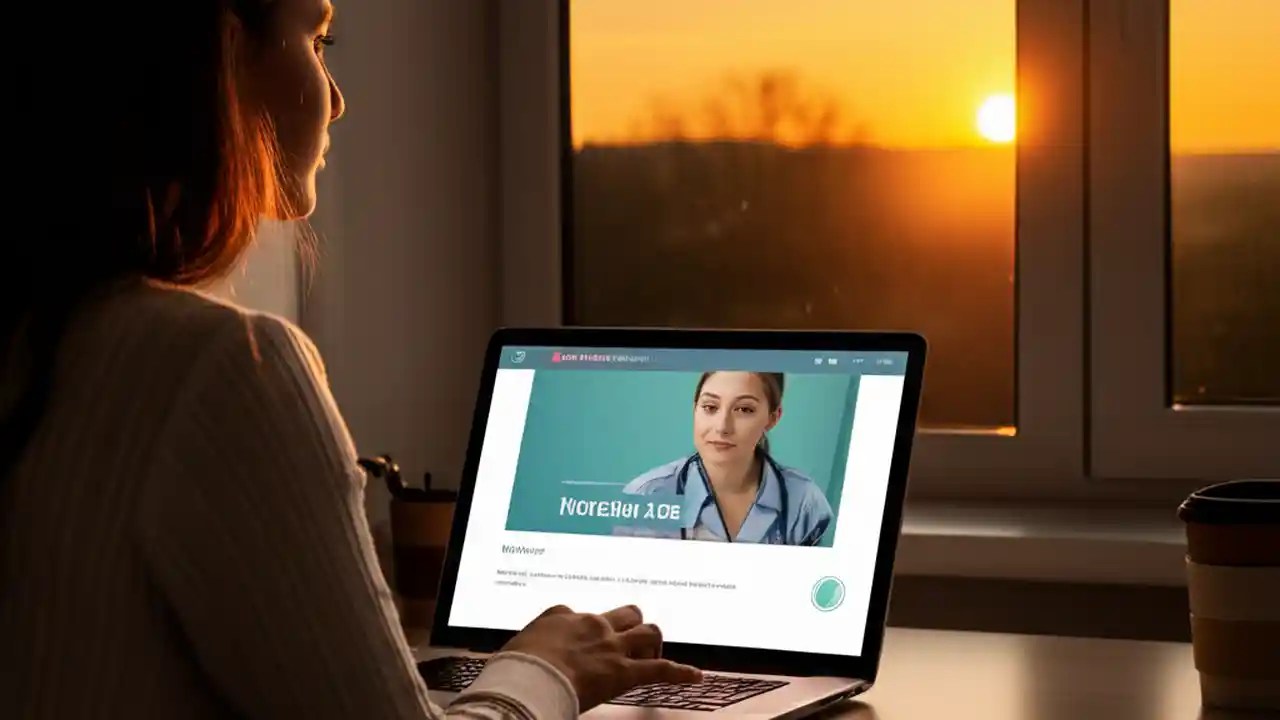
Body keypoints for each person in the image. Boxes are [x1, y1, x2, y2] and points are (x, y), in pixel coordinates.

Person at [0, 1, 698, 717]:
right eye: (318, 38)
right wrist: (544, 669)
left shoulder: (42, 347)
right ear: (222, 55)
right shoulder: (221, 368)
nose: (337, 98)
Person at [622, 372, 835, 546]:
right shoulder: (646, 494)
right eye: (710, 407)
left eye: (744, 409)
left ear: (772, 418)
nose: (722, 427)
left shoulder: (805, 503)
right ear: (695, 409)